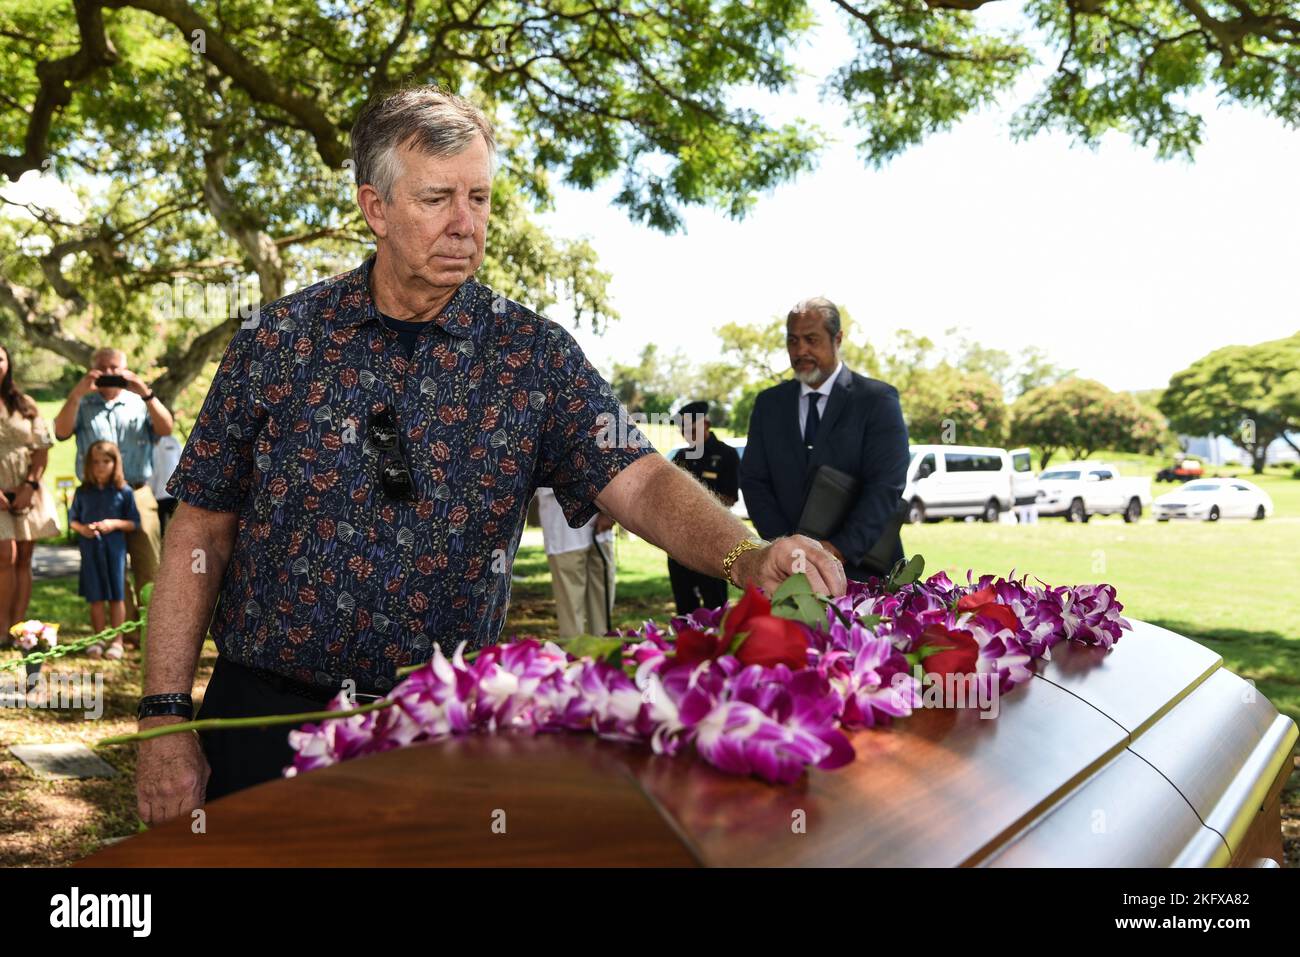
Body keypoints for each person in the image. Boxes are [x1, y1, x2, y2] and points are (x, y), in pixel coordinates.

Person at [134, 86, 846, 822]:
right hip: (264, 725)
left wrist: (748, 558)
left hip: (440, 734)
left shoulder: (532, 357)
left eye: (478, 197)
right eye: (438, 197)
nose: (465, 223)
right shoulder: (278, 342)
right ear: (374, 208)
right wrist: (162, 716)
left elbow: (639, 478)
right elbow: (199, 530)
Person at [740, 297, 910, 581]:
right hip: (789, 574)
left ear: (837, 338)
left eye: (811, 339)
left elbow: (886, 486)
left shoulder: (877, 400)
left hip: (866, 574)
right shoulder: (768, 404)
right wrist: (789, 550)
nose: (801, 350)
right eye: (792, 341)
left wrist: (837, 550)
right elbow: (754, 481)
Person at [53, 347, 173, 632]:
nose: (108, 373)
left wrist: (145, 391)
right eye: (102, 367)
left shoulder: (139, 402)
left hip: (137, 491)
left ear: (126, 369)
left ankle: (151, 629)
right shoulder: (82, 403)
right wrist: (76, 393)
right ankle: (124, 631)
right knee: (112, 566)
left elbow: (166, 428)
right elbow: (59, 431)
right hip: (97, 496)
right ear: (92, 369)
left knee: (148, 563)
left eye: (114, 368)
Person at [0, 345, 61, 641]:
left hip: (26, 490)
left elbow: (41, 450)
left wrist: (30, 486)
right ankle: (1, 627)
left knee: (24, 557)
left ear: (8, 363)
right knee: (5, 555)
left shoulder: (25, 404)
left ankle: (17, 628)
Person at [68, 441, 140, 660]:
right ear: (88, 464)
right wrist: (83, 529)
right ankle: (97, 638)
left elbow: (134, 523)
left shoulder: (123, 492)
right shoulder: (83, 492)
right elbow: (73, 520)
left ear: (115, 463)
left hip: (114, 550)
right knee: (95, 596)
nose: (100, 466)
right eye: (96, 462)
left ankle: (116, 640)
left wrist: (113, 524)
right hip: (90, 551)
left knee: (116, 596)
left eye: (106, 461)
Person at [667, 400, 740, 615]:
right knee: (684, 606)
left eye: (691, 427)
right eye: (683, 429)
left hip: (712, 540)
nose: (687, 433)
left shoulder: (726, 454)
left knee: (715, 606)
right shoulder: (681, 456)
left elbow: (729, 497)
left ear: (706, 424)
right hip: (679, 543)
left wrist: (695, 508)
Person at [535, 487, 615, 638]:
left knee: (603, 607)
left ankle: (605, 656)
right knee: (570, 611)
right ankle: (574, 657)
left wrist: (610, 512)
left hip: (600, 518)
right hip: (560, 522)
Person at [148, 433, 183, 537]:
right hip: (157, 495)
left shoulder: (173, 441)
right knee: (161, 529)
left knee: (177, 527)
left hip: (174, 494)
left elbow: (181, 463)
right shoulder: (148, 443)